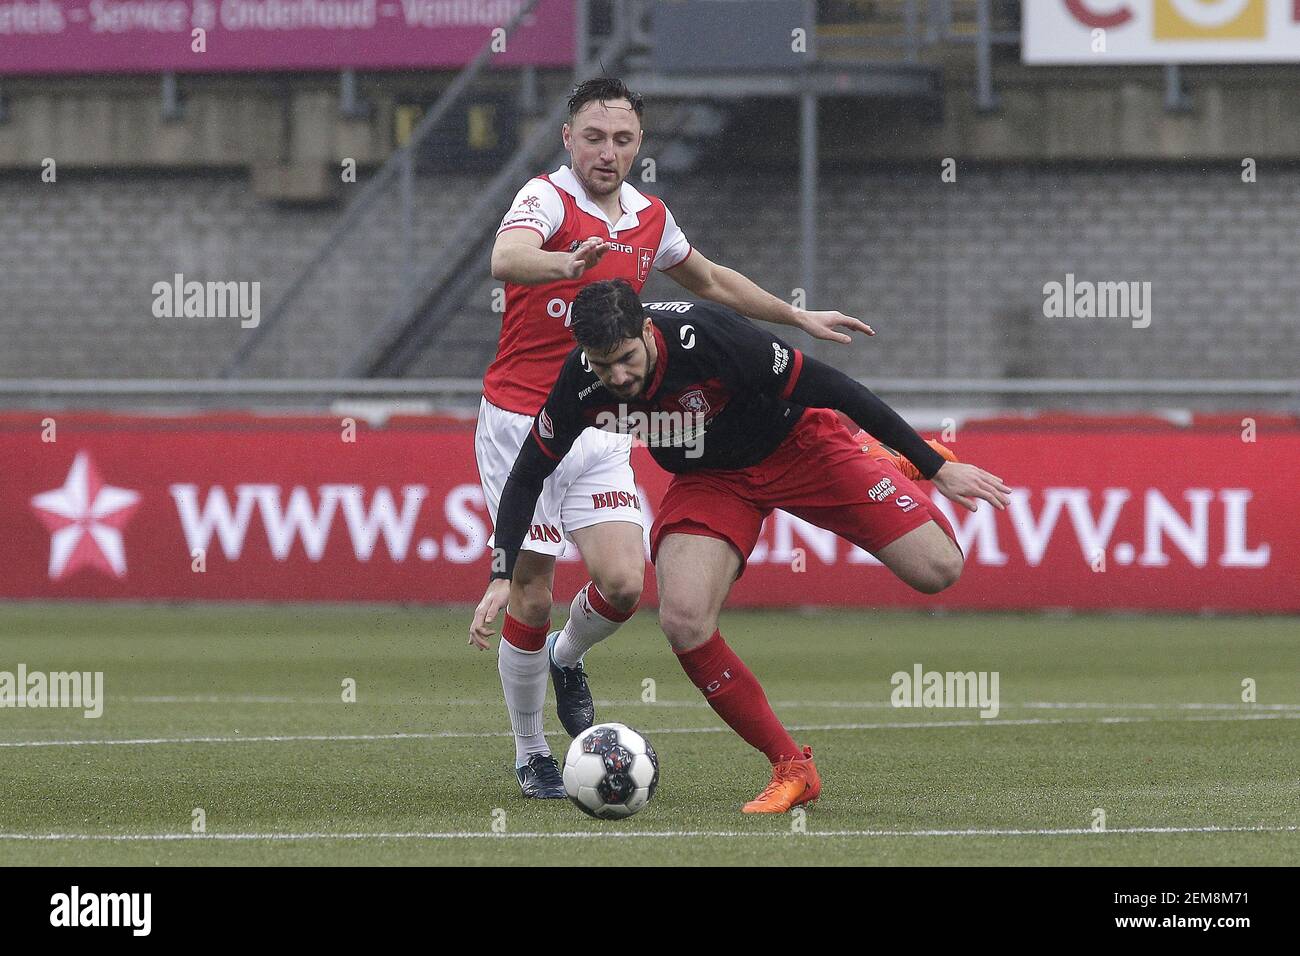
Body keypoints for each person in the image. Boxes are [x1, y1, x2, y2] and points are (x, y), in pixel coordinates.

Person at [471, 280, 1011, 813]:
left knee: (938, 570)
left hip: (799, 448)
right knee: (683, 620)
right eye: (601, 364)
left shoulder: (708, 338)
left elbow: (836, 388)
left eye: (626, 360)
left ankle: (878, 456)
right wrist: (501, 572)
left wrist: (937, 467)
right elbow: (526, 475)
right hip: (713, 482)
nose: (617, 377)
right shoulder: (581, 382)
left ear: (647, 331)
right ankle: (791, 767)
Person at [477, 76, 873, 799]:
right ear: (568, 139)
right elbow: (507, 258)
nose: (608, 151)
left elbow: (712, 281)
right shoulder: (546, 198)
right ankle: (532, 752)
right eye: (593, 136)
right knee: (531, 596)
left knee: (625, 585)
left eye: (623, 139)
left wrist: (800, 317)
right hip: (520, 421)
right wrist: (563, 264)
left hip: (600, 419)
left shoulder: (648, 216)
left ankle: (568, 657)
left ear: (638, 145)